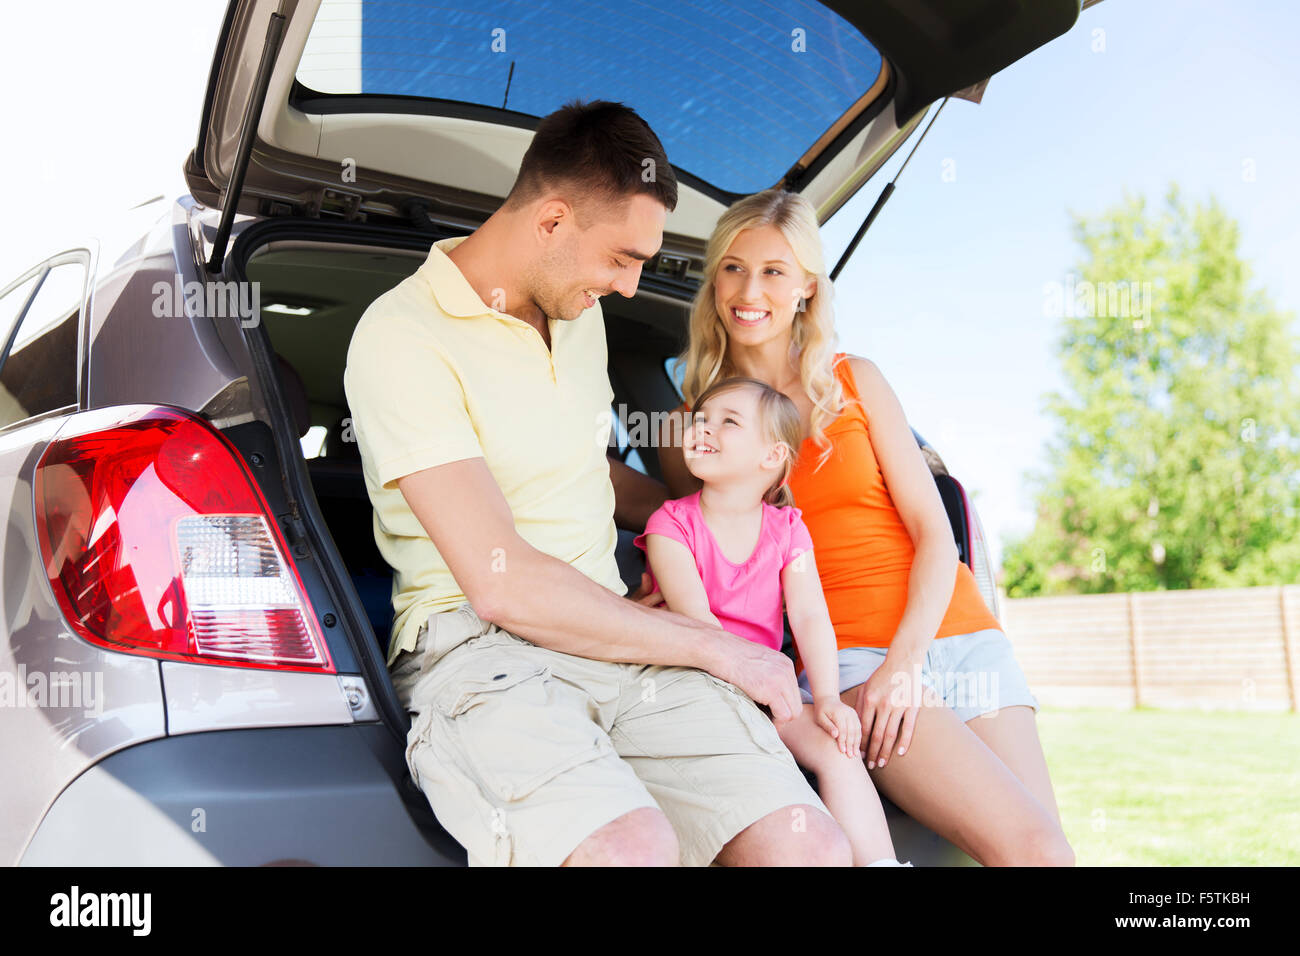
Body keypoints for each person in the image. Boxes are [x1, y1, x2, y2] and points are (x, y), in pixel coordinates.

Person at [343, 101, 850, 866]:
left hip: (617, 634)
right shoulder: (402, 335)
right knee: (627, 847)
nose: (630, 285)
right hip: (483, 650)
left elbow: (580, 466)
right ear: (551, 223)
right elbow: (501, 584)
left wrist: (689, 522)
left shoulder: (578, 313)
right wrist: (715, 646)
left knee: (803, 842)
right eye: (622, 258)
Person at [656, 188, 1075, 866]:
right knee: (1034, 851)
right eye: (732, 267)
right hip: (853, 658)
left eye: (773, 270)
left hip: (961, 636)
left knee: (1051, 855)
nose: (748, 289)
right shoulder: (697, 426)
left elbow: (934, 533)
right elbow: (698, 538)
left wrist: (911, 663)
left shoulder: (855, 380)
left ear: (806, 289)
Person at [636, 375, 908, 866]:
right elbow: (699, 628)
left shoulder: (788, 529)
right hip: (700, 691)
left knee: (836, 745)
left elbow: (808, 615)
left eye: (728, 422)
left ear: (771, 456)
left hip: (768, 694)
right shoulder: (671, 525)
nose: (704, 428)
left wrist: (826, 699)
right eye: (701, 419)